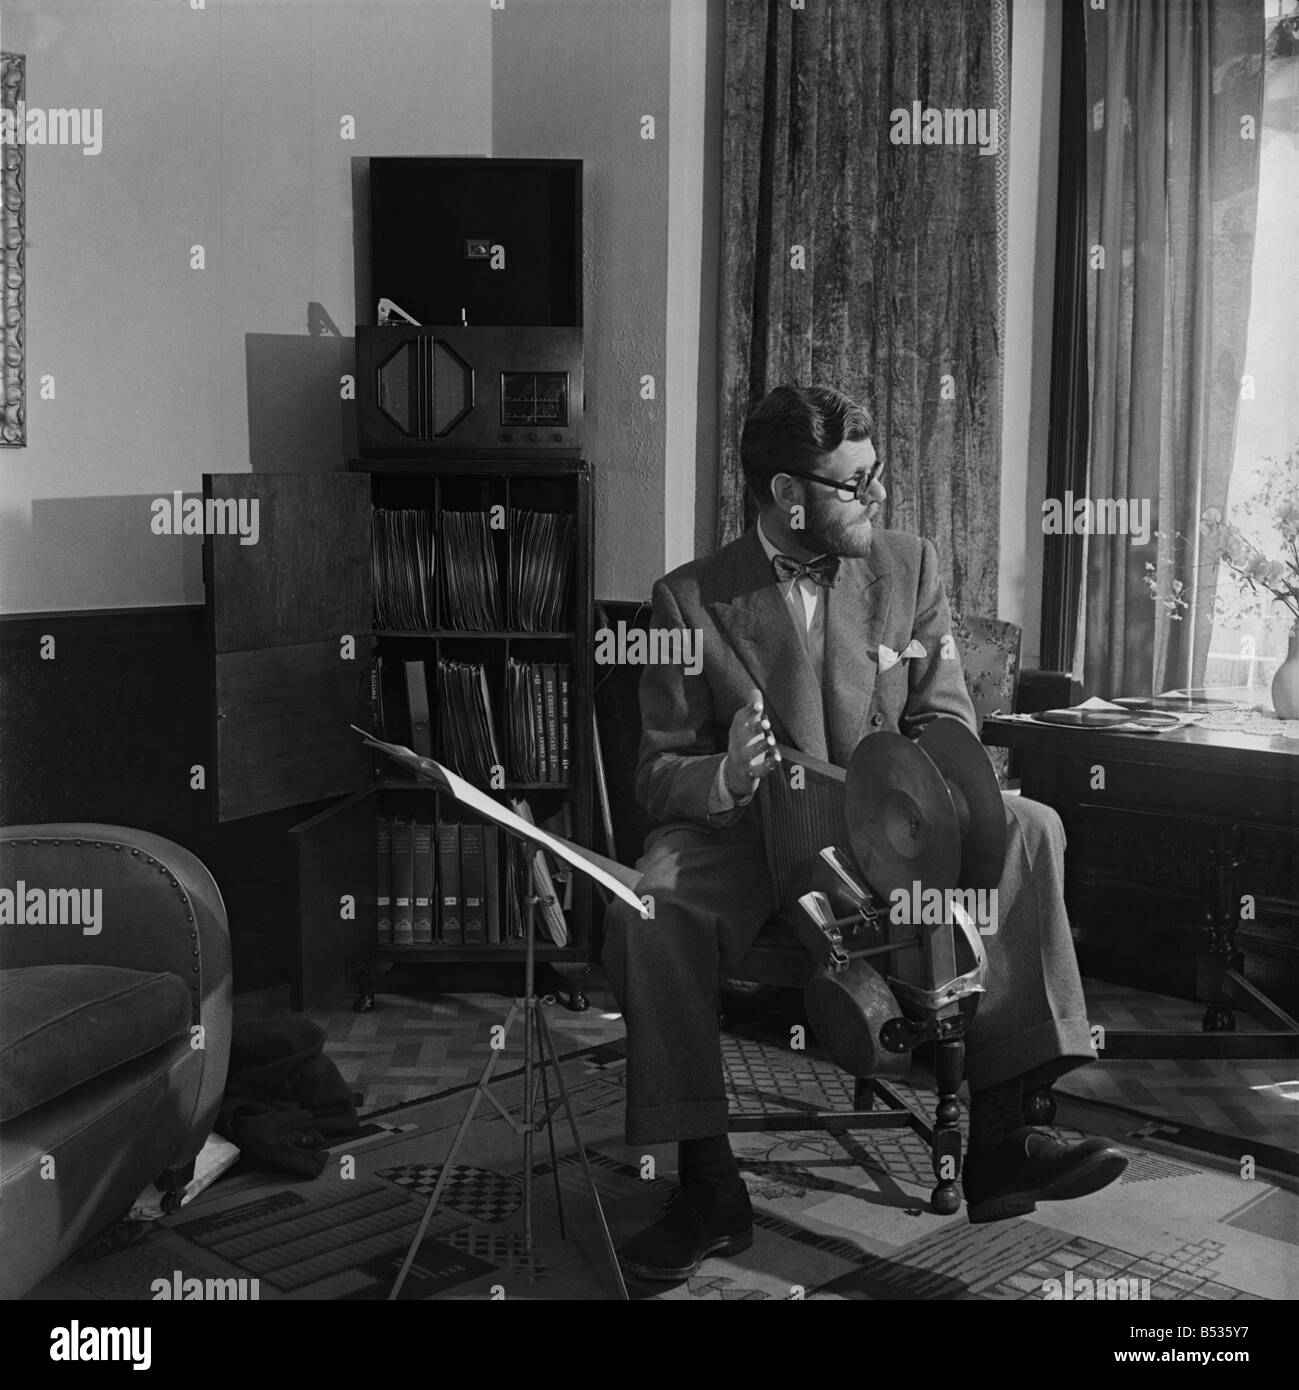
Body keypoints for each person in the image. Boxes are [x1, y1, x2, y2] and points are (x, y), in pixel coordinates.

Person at [601, 384, 1127, 1282]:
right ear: (784, 494)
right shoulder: (687, 600)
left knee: (1031, 824)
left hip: (889, 828)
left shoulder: (908, 566)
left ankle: (1000, 1138)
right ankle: (706, 1186)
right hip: (747, 831)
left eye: (875, 475)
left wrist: (924, 781)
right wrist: (722, 772)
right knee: (649, 903)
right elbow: (656, 772)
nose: (875, 497)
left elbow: (946, 714)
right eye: (854, 484)